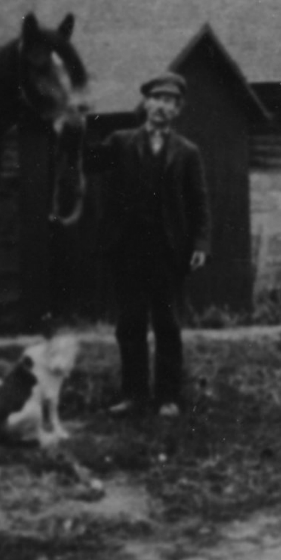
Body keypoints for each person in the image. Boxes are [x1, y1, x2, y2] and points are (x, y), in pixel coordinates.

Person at [97, 71, 209, 418]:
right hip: (129, 249)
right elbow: (88, 163)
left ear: (178, 110)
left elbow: (199, 203)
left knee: (167, 324)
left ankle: (167, 397)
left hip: (168, 251)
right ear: (145, 103)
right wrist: (65, 130)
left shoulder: (187, 153)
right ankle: (133, 394)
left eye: (170, 102)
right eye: (157, 99)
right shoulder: (119, 142)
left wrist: (201, 243)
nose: (162, 107)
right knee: (130, 323)